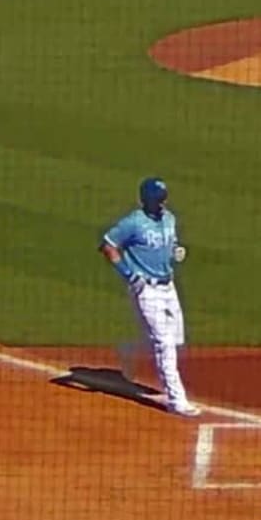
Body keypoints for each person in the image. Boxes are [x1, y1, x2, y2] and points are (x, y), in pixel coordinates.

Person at [98, 177, 201, 417]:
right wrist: (129, 274)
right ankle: (177, 400)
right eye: (158, 201)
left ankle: (130, 350)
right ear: (147, 201)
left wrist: (175, 250)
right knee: (164, 343)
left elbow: (171, 243)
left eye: (163, 199)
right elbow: (108, 245)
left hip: (168, 287)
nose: (162, 204)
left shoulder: (169, 218)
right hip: (147, 289)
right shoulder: (134, 222)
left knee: (175, 339)